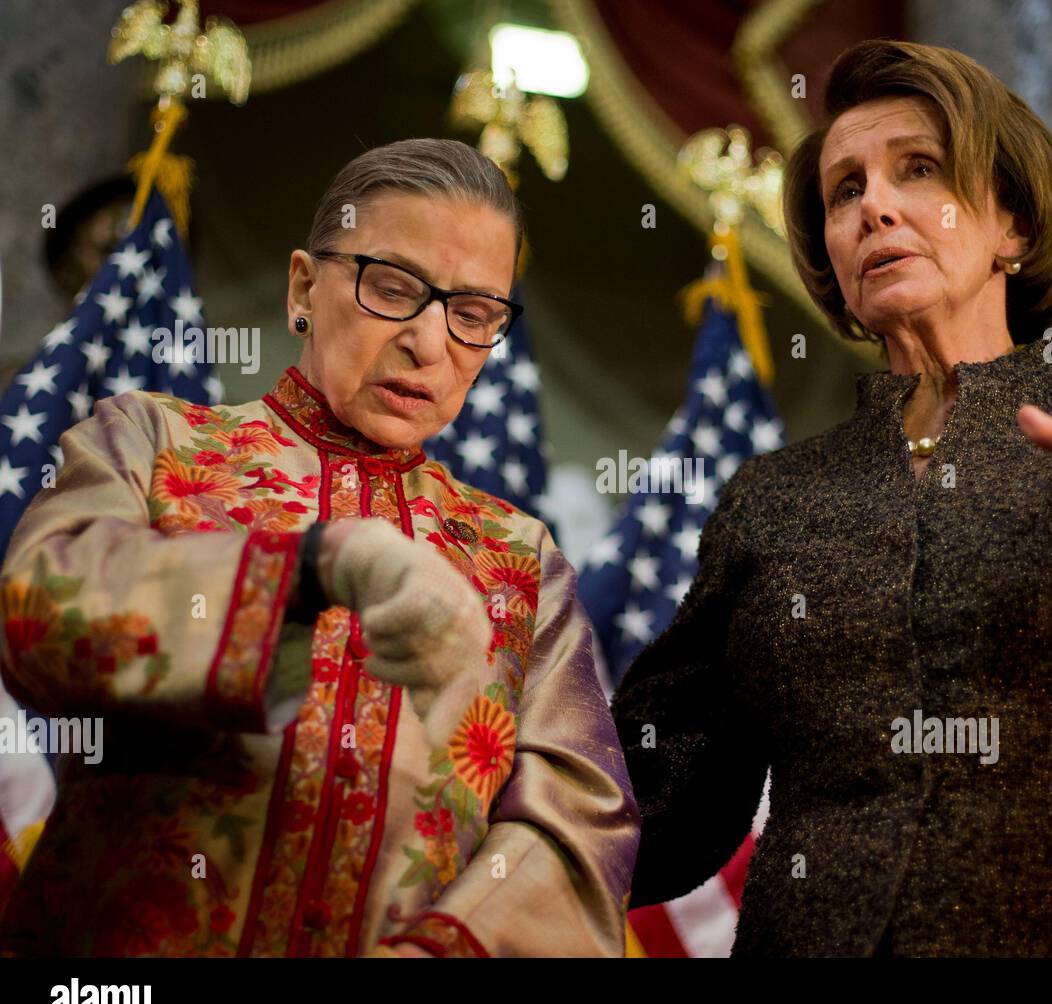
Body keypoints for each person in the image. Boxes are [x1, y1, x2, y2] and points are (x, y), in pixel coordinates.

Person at [612, 40, 1052, 957]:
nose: (876, 207)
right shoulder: (769, 498)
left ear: (1011, 221)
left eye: (918, 170)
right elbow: (660, 813)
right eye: (845, 192)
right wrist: (484, 722)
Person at [0, 138, 639, 957]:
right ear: (305, 286)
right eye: (394, 288)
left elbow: (575, 826)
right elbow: (38, 609)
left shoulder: (520, 559)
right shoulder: (154, 442)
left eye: (474, 315)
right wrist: (303, 574)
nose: (429, 342)